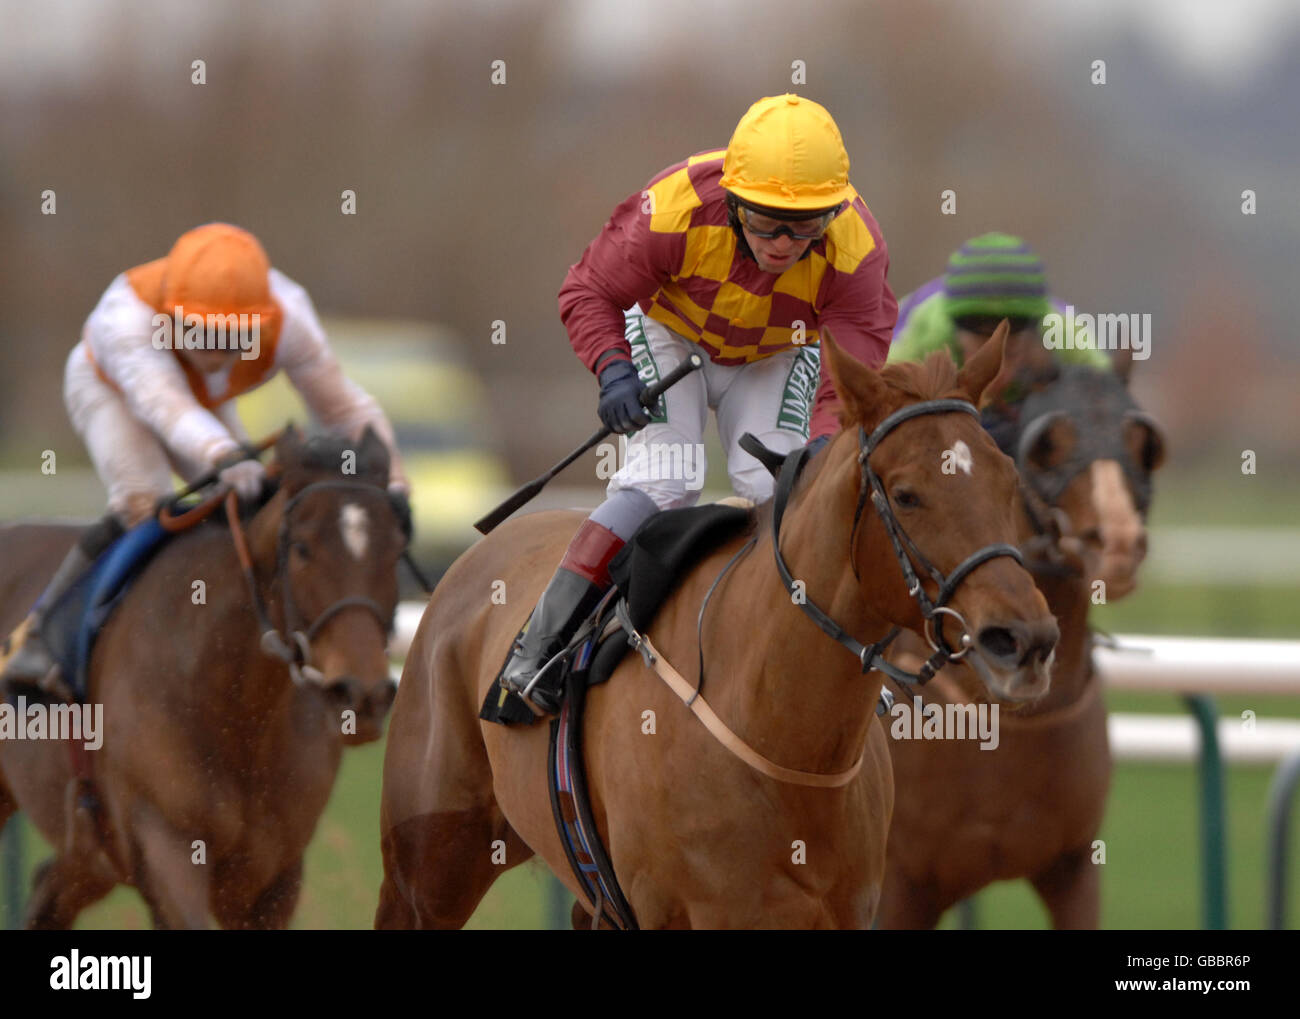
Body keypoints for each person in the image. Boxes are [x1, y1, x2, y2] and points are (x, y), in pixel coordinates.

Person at [501, 94, 898, 713]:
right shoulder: (675, 209)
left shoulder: (856, 249)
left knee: (788, 488)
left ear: (834, 211)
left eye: (806, 225)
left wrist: (826, 440)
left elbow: (852, 377)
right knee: (667, 481)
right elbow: (590, 291)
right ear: (734, 200)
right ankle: (541, 645)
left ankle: (834, 664)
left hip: (777, 352)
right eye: (766, 222)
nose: (785, 244)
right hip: (670, 333)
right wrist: (613, 371)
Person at [1, 222, 409, 700]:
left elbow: (344, 409)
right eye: (204, 332)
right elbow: (163, 406)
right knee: (144, 502)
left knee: (249, 507)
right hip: (110, 389)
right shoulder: (127, 319)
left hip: (201, 408)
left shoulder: (290, 314)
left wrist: (395, 485)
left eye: (235, 335)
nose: (218, 350)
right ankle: (40, 638)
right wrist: (222, 452)